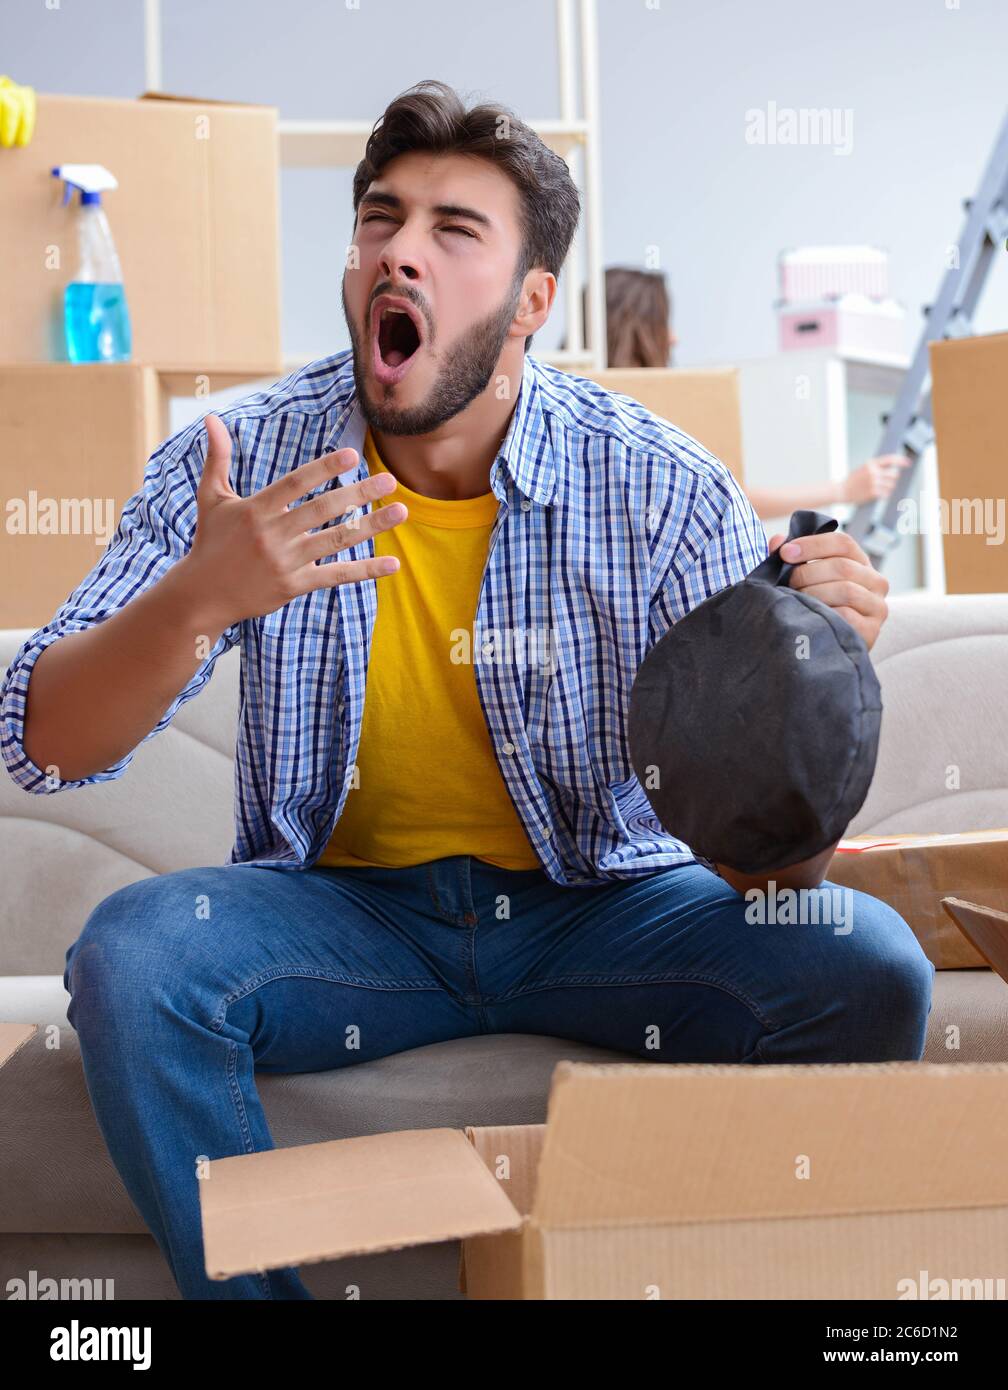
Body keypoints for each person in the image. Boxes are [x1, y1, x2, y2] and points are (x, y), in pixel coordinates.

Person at [0, 80, 932, 1301]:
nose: (401, 252)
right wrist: (196, 600)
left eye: (455, 231)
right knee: (136, 957)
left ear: (535, 300)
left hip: (602, 910)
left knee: (865, 960)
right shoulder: (238, 461)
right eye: (381, 219)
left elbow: (770, 864)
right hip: (345, 921)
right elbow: (43, 746)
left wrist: (809, 682)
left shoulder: (657, 486)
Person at [594, 265, 910, 519]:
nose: (674, 338)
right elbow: (727, 497)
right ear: (632, 326)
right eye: (662, 324)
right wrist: (842, 490)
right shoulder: (651, 402)